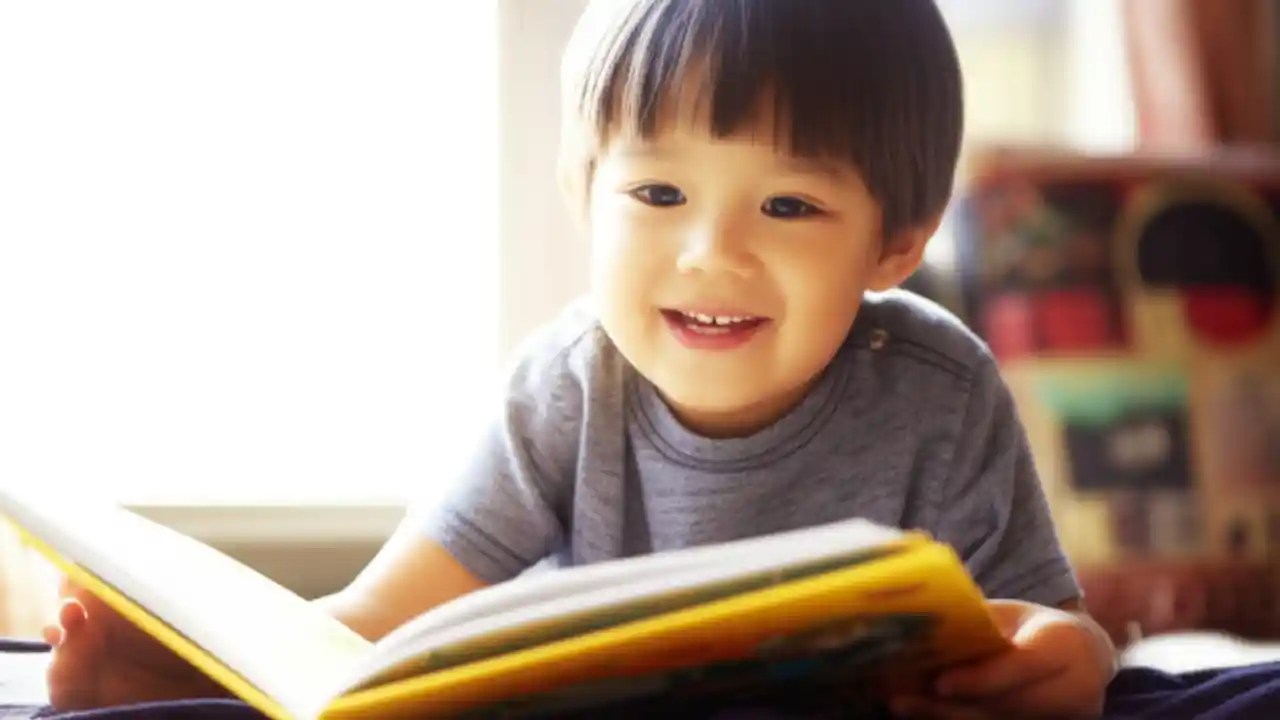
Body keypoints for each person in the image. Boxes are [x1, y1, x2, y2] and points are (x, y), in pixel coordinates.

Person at [43, 1, 1117, 717]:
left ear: (895, 241)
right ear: (581, 197)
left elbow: (1048, 630)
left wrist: (1070, 666)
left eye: (788, 204)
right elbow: (365, 633)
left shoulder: (940, 393)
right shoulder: (568, 387)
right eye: (657, 194)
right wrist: (183, 679)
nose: (711, 255)